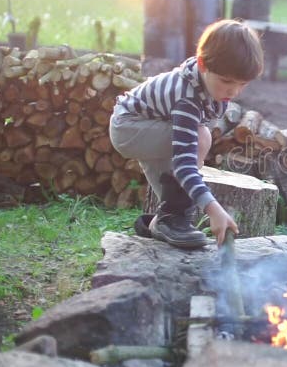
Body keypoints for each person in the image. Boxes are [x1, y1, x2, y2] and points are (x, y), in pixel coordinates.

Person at [109, 19, 263, 249]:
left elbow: (184, 160)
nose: (234, 90)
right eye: (227, 81)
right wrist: (213, 209)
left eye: (242, 84)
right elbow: (184, 164)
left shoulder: (212, 89)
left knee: (180, 186)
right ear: (203, 64)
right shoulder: (188, 99)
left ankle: (166, 219)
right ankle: (171, 218)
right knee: (201, 138)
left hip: (153, 123)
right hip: (129, 127)